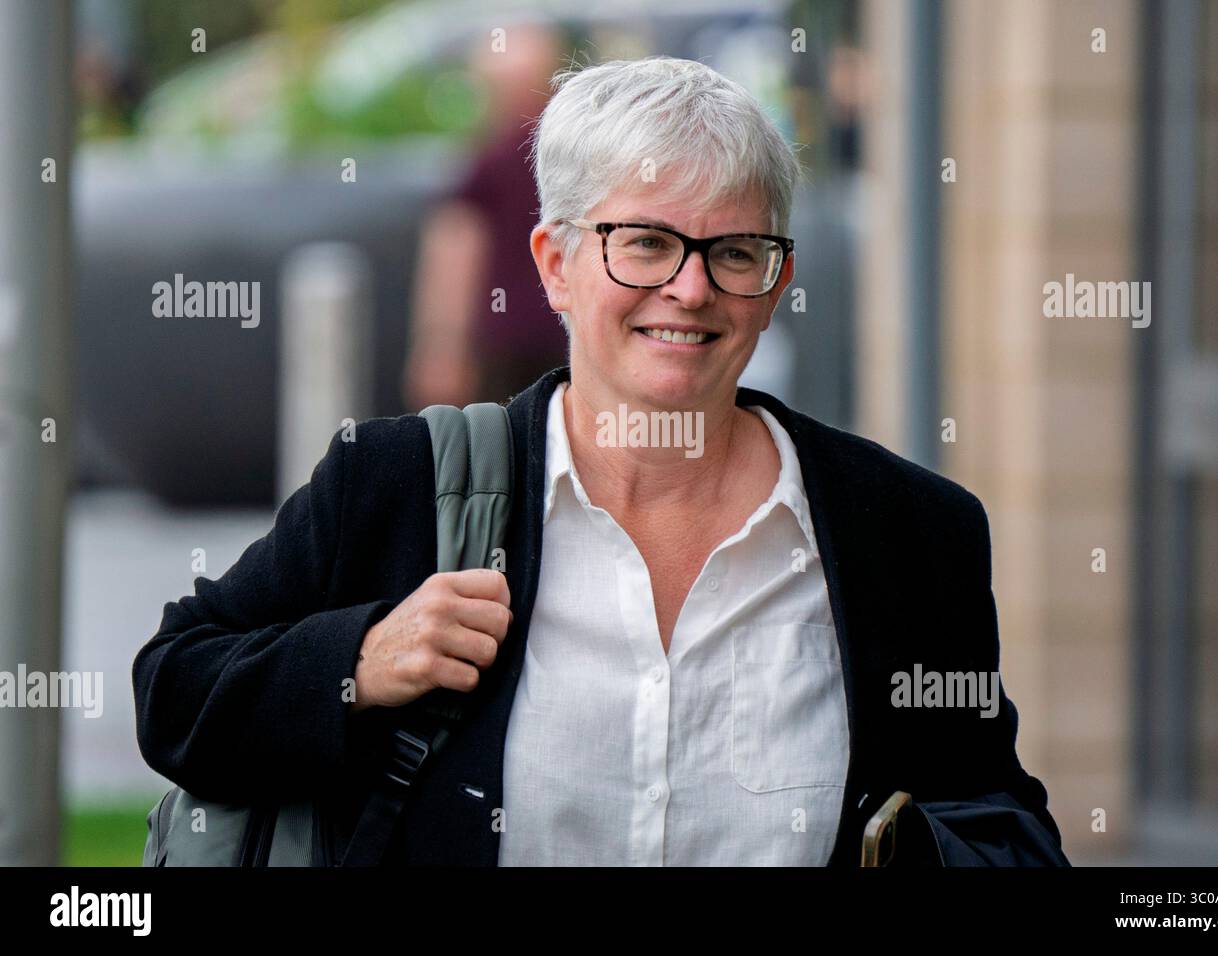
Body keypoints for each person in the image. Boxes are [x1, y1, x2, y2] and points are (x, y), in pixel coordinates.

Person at [133, 56, 1069, 866]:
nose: (691, 288)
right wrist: (360, 662)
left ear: (776, 280)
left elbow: (995, 818)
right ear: (553, 264)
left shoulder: (908, 534)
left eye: (734, 251)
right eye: (648, 244)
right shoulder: (400, 488)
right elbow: (173, 685)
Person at [402, 21, 568, 411]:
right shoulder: (578, 156)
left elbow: (454, 257)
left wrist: (440, 348)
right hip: (561, 338)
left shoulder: (487, 164)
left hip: (507, 345)